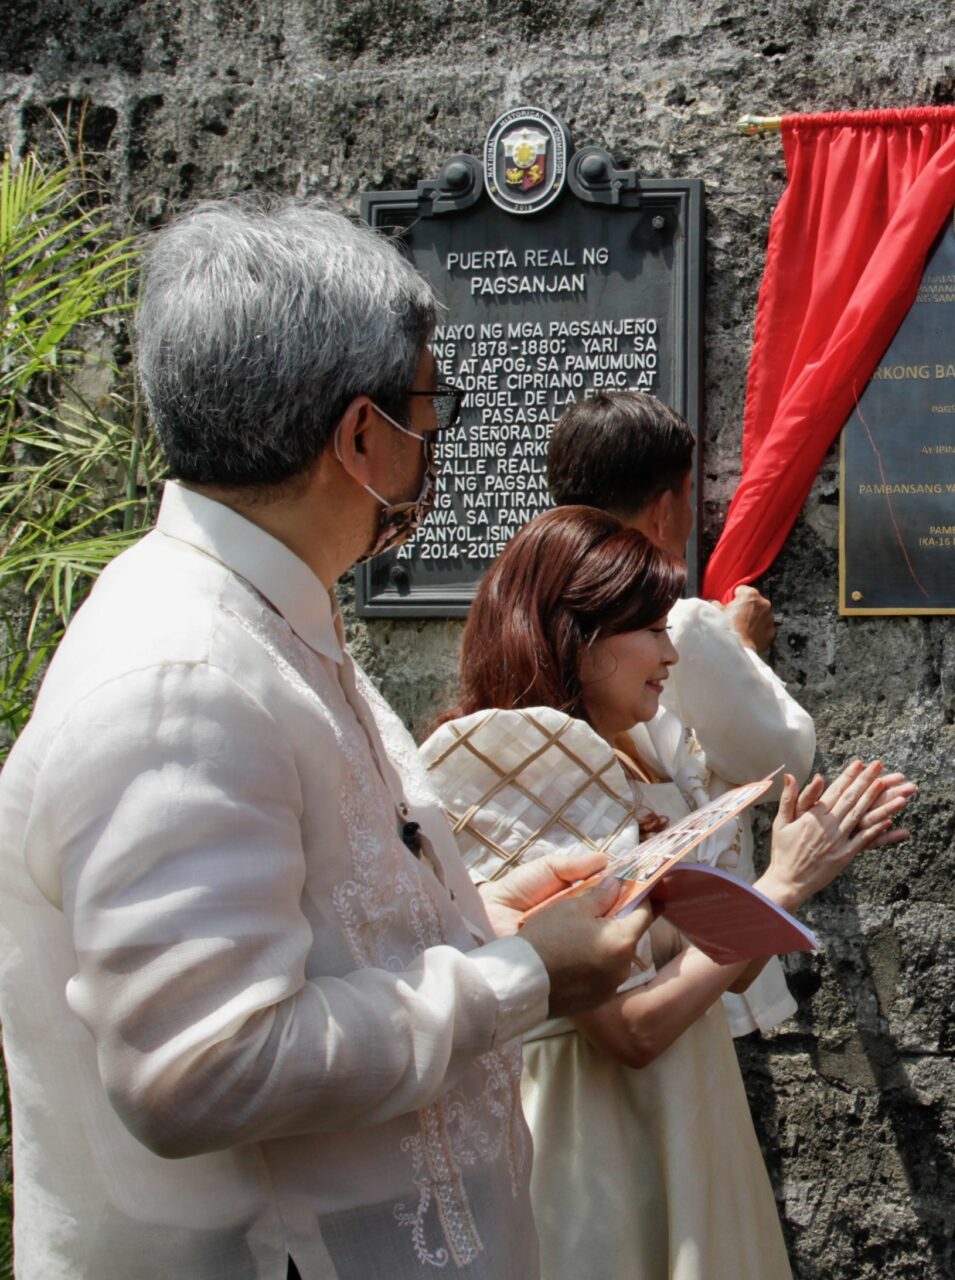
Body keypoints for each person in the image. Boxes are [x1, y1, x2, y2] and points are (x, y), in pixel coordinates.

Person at [0, 201, 654, 1279]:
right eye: (427, 407)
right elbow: (201, 1062)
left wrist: (488, 914)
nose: (432, 445)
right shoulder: (181, 678)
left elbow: (327, 928)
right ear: (360, 437)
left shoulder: (266, 620)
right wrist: (519, 979)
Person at [420, 505, 915, 1280]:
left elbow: (732, 969)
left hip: (688, 1101)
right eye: (648, 629)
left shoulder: (639, 749)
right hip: (603, 1134)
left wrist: (794, 865)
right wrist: (780, 888)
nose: (669, 653)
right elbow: (630, 1033)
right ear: (575, 637)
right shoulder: (516, 762)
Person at [547, 390, 815, 1039]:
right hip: (684, 958)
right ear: (667, 508)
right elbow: (781, 758)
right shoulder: (683, 622)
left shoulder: (533, 604)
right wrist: (741, 647)